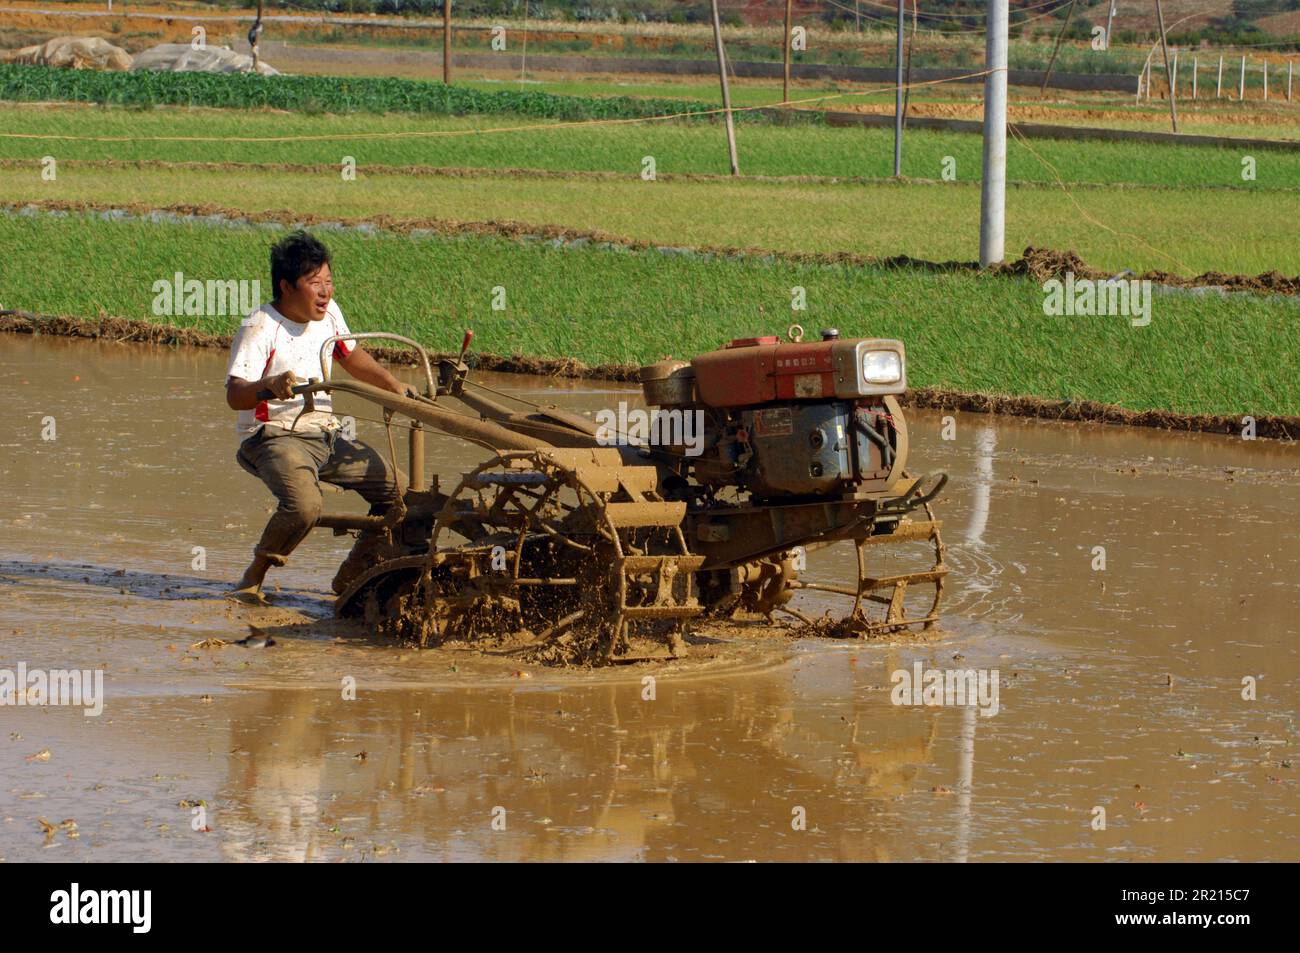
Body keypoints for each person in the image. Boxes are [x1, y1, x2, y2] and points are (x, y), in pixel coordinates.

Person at [225, 231, 409, 604]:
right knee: (305, 506)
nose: (324, 292)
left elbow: (351, 357)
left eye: (328, 281)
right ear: (287, 286)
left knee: (402, 493)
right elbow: (234, 394)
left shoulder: (330, 314)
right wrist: (269, 385)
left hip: (325, 433)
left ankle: (357, 569)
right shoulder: (260, 324)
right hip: (275, 436)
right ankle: (253, 577)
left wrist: (394, 386)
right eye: (314, 284)